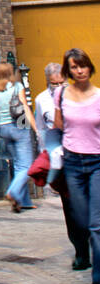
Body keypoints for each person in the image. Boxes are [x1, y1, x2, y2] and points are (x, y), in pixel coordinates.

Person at [54, 48, 100, 284]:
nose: (79, 71)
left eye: (83, 66)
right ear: (68, 70)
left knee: (96, 227)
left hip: (97, 163)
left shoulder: (99, 97)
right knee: (81, 223)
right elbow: (59, 127)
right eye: (74, 67)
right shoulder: (61, 95)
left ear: (89, 67)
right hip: (72, 163)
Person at [35, 62, 90, 270]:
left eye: (61, 82)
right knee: (71, 207)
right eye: (53, 84)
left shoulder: (81, 95)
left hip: (86, 154)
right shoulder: (42, 100)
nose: (58, 87)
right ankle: (81, 251)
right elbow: (41, 129)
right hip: (61, 159)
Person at [0, 60, 39, 212]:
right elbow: (25, 109)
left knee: (18, 165)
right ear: (11, 72)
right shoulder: (17, 87)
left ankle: (23, 201)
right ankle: (13, 192)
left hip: (4, 129)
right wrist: (37, 129)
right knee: (27, 166)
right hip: (19, 127)